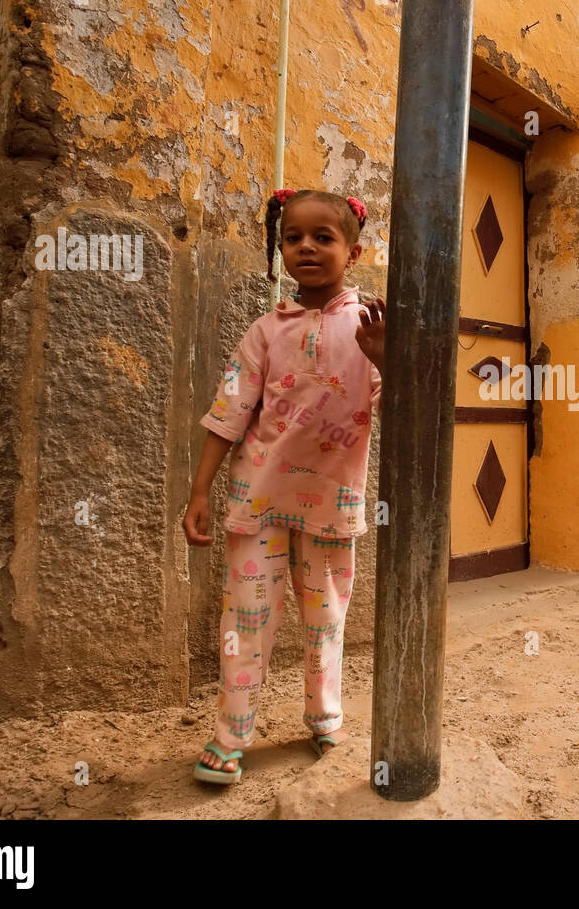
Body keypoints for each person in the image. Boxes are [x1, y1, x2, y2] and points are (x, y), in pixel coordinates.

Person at [185, 188, 386, 784]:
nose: (306, 247)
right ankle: (230, 735)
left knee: (326, 620)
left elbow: (404, 414)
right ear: (281, 249)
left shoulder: (371, 325)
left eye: (323, 237)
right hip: (257, 502)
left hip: (332, 503)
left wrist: (386, 358)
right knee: (245, 621)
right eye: (293, 237)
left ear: (352, 252)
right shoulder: (265, 331)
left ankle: (324, 716)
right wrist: (200, 492)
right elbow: (229, 414)